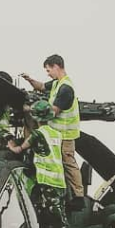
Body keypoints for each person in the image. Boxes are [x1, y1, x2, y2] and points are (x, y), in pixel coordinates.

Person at [7, 100, 79, 228]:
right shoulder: (57, 134)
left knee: (58, 222)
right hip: (60, 183)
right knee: (56, 218)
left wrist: (10, 144)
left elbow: (19, 149)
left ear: (36, 118)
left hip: (48, 183)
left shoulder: (37, 135)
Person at [23, 54, 83, 201]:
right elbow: (42, 86)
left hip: (66, 134)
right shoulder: (57, 83)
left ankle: (78, 196)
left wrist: (30, 109)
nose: (48, 74)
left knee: (68, 163)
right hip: (58, 134)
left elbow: (51, 112)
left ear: (56, 66)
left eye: (49, 70)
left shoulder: (66, 89)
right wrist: (30, 80)